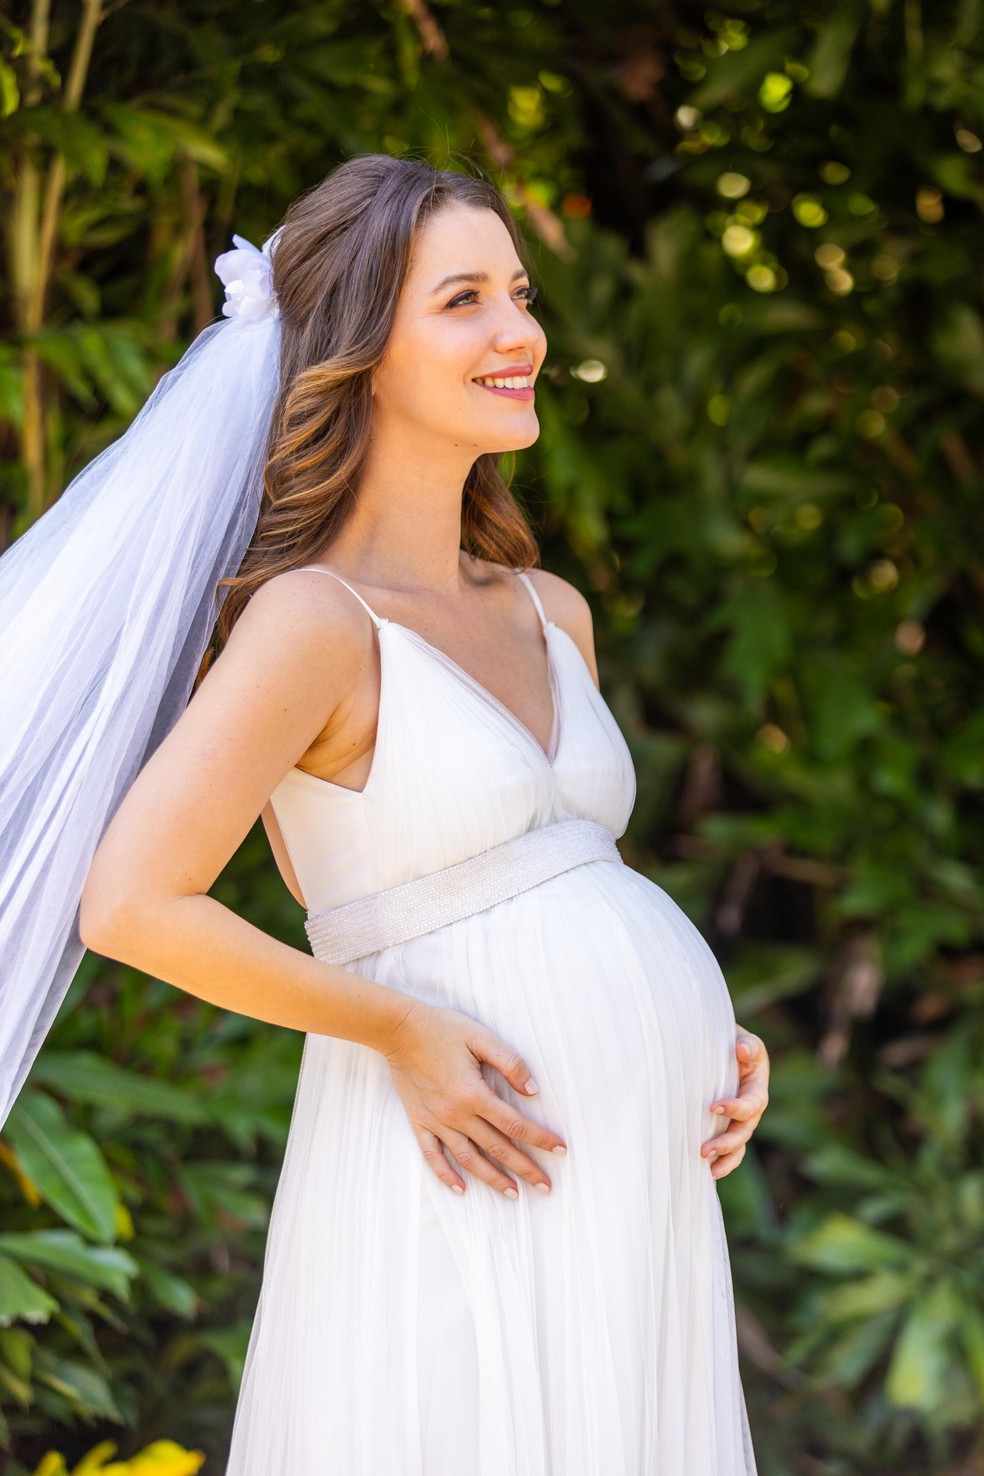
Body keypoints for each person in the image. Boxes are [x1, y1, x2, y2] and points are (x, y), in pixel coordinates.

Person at [5, 154, 767, 1473]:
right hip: (460, 1168)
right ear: (358, 350)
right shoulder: (314, 623)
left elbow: (564, 875)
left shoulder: (549, 609)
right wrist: (401, 1028)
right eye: (463, 300)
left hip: (631, 1182)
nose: (519, 332)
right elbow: (131, 903)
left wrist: (701, 1030)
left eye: (518, 293)